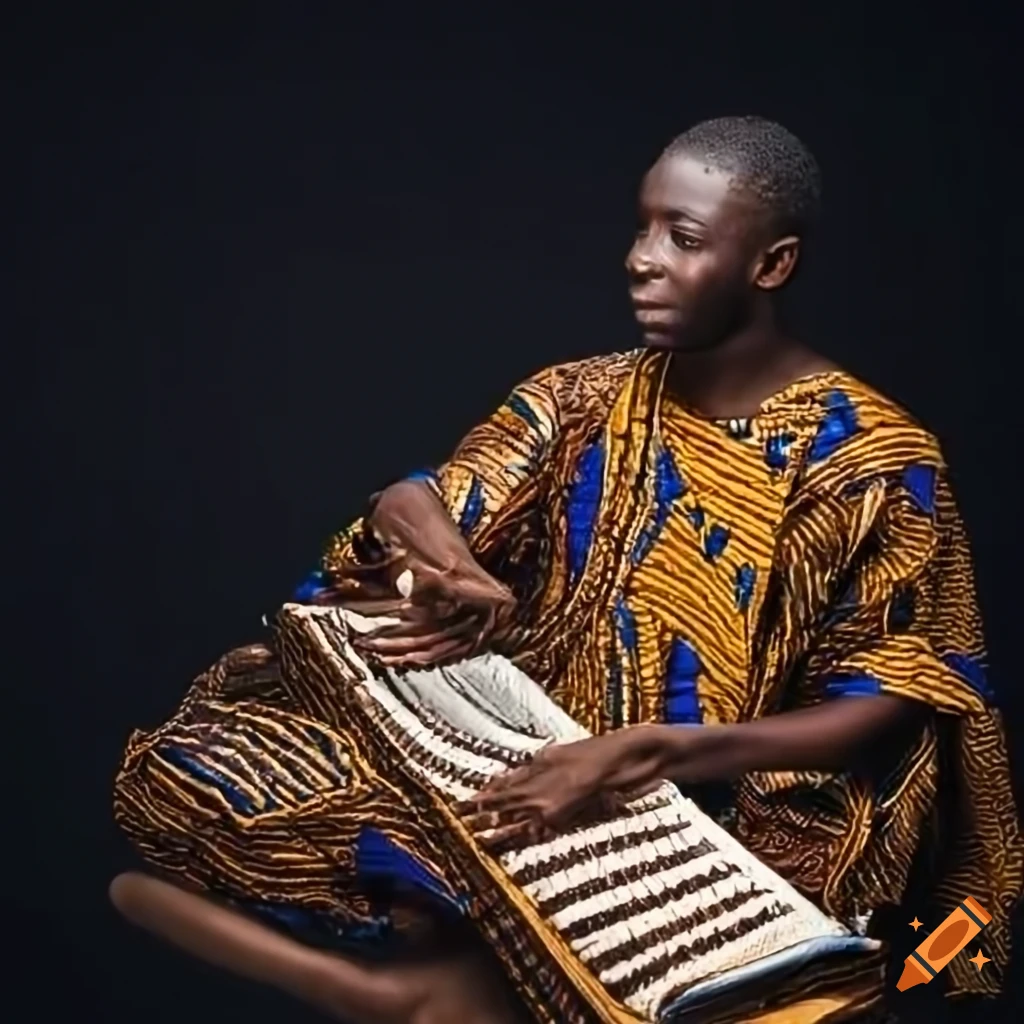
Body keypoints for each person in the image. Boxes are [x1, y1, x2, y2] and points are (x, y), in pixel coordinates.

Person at [111, 116, 1022, 1023]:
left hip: (742, 818)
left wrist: (649, 751)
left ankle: (445, 994)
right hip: (549, 770)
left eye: (685, 237)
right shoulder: (580, 397)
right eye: (642, 226)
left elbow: (887, 703)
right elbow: (412, 500)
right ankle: (430, 984)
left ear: (771, 265)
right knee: (211, 776)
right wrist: (450, 563)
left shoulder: (871, 457)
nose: (642, 258)